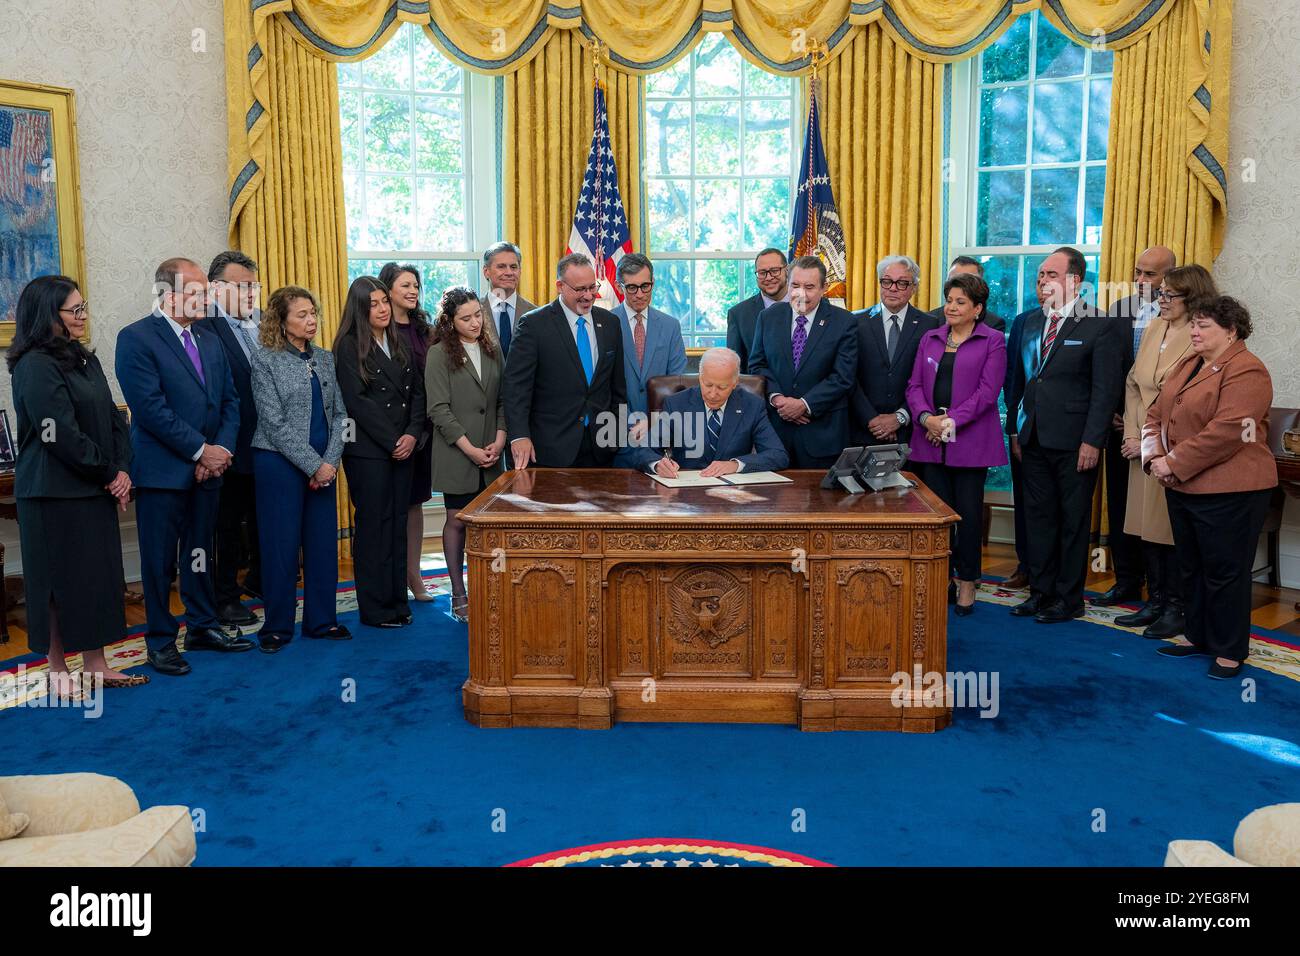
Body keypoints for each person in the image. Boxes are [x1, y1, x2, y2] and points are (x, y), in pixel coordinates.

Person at [7, 276, 145, 695]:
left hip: (95, 486)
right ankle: (56, 667)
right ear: (49, 315)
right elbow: (57, 434)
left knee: (97, 578)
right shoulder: (33, 364)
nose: (84, 317)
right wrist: (109, 473)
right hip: (52, 492)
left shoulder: (86, 359)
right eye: (75, 310)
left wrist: (121, 469)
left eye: (84, 308)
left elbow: (115, 417)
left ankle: (96, 663)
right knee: (56, 582)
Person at [116, 258, 253, 676]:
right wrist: (200, 451)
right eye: (197, 291)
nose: (207, 297)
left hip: (209, 470)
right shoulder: (136, 338)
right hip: (163, 472)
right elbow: (151, 409)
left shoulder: (209, 339)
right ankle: (160, 640)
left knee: (199, 553)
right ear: (167, 295)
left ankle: (201, 626)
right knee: (159, 562)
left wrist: (220, 451)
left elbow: (230, 402)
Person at [1146, 296, 1278, 679]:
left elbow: (1227, 432)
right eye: (1194, 325)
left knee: (1225, 571)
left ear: (1231, 331)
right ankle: (1197, 635)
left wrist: (1173, 462)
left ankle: (1229, 649)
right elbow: (1155, 414)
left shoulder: (1247, 369)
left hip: (1232, 489)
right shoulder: (1188, 364)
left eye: (1204, 326)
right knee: (1192, 567)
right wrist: (1155, 457)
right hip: (1182, 485)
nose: (1195, 331)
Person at [1004, 247, 1123, 624]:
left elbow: (1106, 390)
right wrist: (1014, 430)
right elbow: (1017, 383)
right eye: (1039, 275)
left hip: (1076, 443)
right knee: (1038, 519)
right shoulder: (1026, 322)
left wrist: (1093, 440)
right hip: (1032, 438)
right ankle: (1040, 593)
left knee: (1072, 523)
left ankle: (1068, 599)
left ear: (1074, 280)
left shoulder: (1099, 324)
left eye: (1050, 275)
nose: (1041, 281)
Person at [248, 286, 351, 653]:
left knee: (322, 544)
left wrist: (330, 461)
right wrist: (314, 465)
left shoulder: (324, 358)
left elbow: (340, 414)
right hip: (277, 463)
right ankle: (276, 627)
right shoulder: (265, 360)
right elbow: (273, 423)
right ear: (281, 320)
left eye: (313, 313)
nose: (311, 321)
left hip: (324, 462)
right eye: (302, 315)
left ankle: (322, 622)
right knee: (281, 546)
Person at [1114, 264, 1213, 637]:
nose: (1161, 300)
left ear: (1193, 297)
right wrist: (1133, 435)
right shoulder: (1156, 325)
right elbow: (1134, 384)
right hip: (1141, 442)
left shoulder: (1200, 334)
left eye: (1169, 295)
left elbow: (1187, 395)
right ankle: (1154, 603)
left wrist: (1151, 444)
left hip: (1174, 447)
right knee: (1143, 526)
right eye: (1161, 294)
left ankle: (1176, 607)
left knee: (1168, 529)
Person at [905, 273, 1007, 615]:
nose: (951, 306)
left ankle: (967, 582)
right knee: (937, 518)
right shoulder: (930, 338)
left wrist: (948, 422)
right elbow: (914, 387)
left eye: (960, 302)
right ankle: (942, 579)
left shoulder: (993, 340)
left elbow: (987, 394)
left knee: (968, 518)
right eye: (949, 299)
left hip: (969, 442)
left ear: (977, 309)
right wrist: (926, 420)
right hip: (929, 440)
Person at [333, 276, 426, 629]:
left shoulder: (398, 339)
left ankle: (397, 603)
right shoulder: (348, 346)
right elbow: (358, 402)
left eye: (385, 301)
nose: (383, 308)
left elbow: (417, 391)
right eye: (374, 303)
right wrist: (394, 441)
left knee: (398, 524)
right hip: (370, 452)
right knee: (375, 528)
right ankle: (375, 609)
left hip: (404, 445)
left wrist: (412, 434)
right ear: (359, 308)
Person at [1095, 246, 1178, 607]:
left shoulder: (1179, 316)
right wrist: (1116, 415)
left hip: (1160, 432)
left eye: (1150, 274)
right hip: (1119, 426)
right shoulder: (1120, 309)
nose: (1141, 281)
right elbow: (1110, 369)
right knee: (1121, 504)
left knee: (1156, 511)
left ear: (1169, 277)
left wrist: (1142, 423)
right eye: (1138, 272)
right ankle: (1127, 580)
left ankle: (1162, 593)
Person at [425, 287, 507, 623]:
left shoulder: (492, 348)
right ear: (450, 321)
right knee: (457, 520)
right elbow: (438, 410)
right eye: (466, 318)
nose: (475, 322)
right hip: (458, 452)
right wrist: (470, 449)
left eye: (478, 315)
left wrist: (501, 439)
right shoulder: (438, 354)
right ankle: (459, 594)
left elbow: (503, 400)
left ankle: (489, 590)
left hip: (491, 452)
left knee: (489, 526)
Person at [505, 253, 627, 469]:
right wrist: (519, 435)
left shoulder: (610, 323)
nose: (589, 296)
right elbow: (516, 388)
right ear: (560, 286)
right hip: (551, 447)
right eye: (580, 289)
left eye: (592, 287)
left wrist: (618, 434)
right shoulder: (533, 325)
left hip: (602, 446)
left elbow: (617, 387)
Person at [197, 250, 263, 627]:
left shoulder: (261, 323)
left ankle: (258, 581)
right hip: (226, 445)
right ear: (216, 288)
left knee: (258, 520)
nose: (251, 293)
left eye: (254, 285)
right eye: (243, 286)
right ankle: (224, 596)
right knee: (225, 526)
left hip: (264, 444)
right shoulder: (205, 329)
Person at [748, 256, 858, 469]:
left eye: (810, 287)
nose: (801, 294)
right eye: (795, 285)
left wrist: (803, 405)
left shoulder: (844, 322)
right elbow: (757, 365)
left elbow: (843, 376)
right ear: (787, 283)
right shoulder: (768, 317)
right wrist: (778, 399)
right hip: (776, 433)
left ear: (824, 287)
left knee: (822, 501)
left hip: (822, 435)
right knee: (774, 500)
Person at [634, 347, 789, 476]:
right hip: (687, 493)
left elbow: (778, 455)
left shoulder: (752, 406)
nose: (713, 393)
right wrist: (657, 465)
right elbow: (643, 451)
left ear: (735, 383)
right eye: (708, 385)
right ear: (700, 378)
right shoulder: (676, 404)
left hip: (734, 493)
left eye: (722, 387)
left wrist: (735, 465)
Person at [379, 262, 436, 603]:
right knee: (389, 505)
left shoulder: (425, 331)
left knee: (414, 504)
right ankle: (389, 576)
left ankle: (414, 574)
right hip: (385, 435)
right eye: (405, 285)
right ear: (387, 291)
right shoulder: (379, 330)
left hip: (422, 432)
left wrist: (420, 430)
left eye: (416, 285)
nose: (413, 290)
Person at [851, 255, 940, 447]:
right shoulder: (855, 321)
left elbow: (929, 380)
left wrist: (899, 418)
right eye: (887, 281)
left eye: (902, 283)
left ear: (914, 288)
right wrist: (872, 420)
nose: (892, 288)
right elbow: (848, 377)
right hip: (862, 429)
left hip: (911, 433)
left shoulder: (930, 325)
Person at [610, 253, 687, 467]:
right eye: (632, 287)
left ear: (653, 283)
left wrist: (653, 422)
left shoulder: (671, 326)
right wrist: (626, 425)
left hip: (659, 437)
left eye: (646, 286)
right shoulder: (606, 323)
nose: (640, 294)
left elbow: (676, 385)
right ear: (619, 287)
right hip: (615, 436)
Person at [727, 248, 789, 371]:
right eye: (762, 273)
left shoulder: (806, 304)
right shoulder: (738, 315)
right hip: (757, 389)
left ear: (787, 270)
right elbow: (736, 368)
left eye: (775, 271)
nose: (769, 277)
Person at [478, 241, 536, 359]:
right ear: (486, 272)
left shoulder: (536, 314)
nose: (509, 272)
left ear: (520, 271)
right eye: (501, 266)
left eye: (513, 267)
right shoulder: (473, 312)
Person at [927, 256, 1006, 332]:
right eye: (953, 280)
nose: (958, 286)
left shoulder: (993, 323)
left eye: (968, 281)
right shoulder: (929, 320)